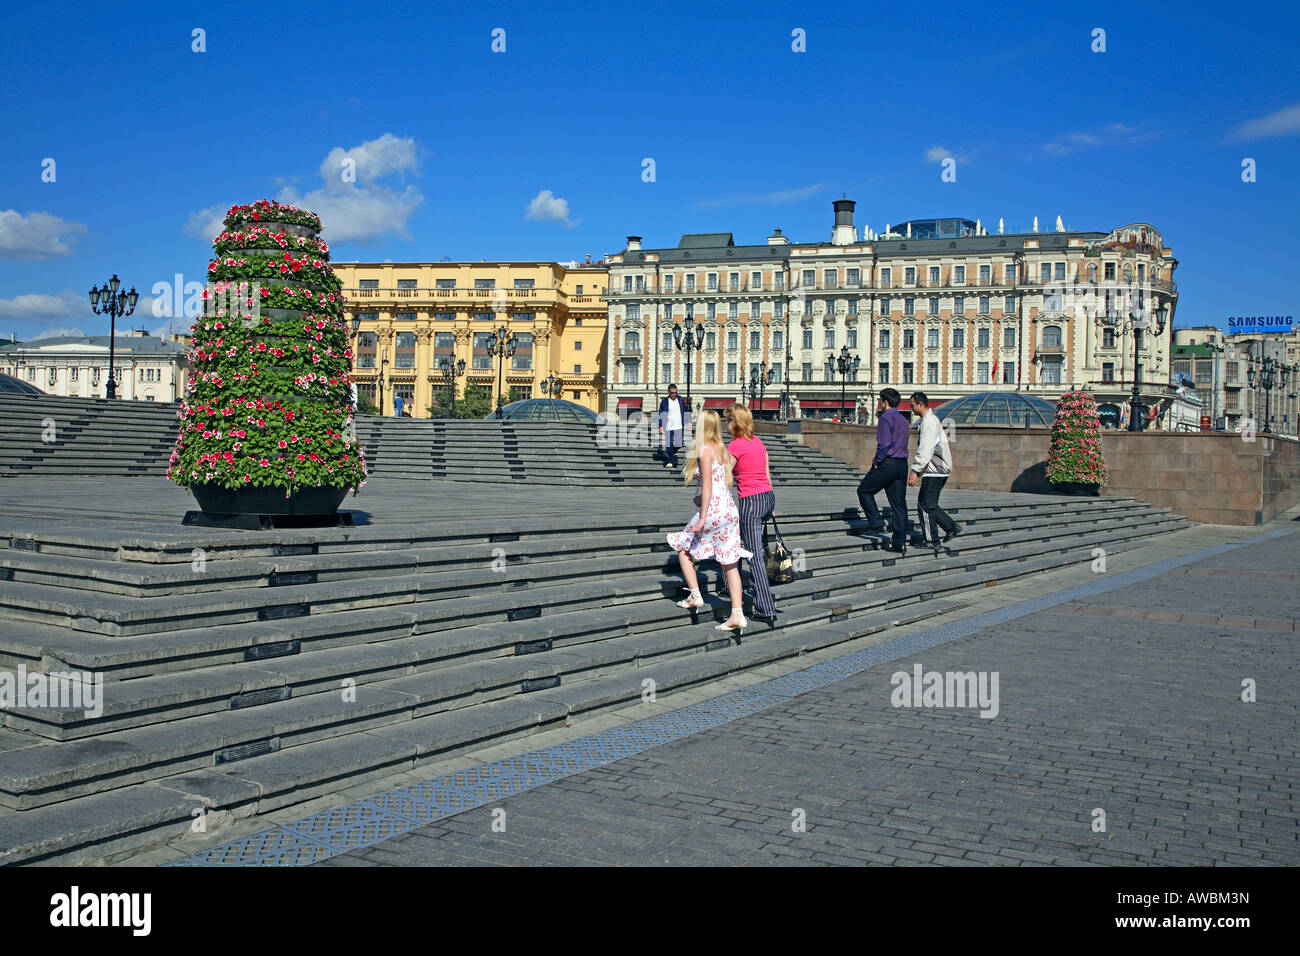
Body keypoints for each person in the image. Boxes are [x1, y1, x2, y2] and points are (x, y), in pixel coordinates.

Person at [667, 409, 751, 635]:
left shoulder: (704, 450)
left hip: (713, 510)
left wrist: (702, 516)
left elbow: (708, 486)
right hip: (729, 510)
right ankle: (737, 613)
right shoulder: (723, 450)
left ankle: (695, 594)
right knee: (729, 563)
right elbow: (719, 482)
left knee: (683, 548)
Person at [725, 404, 776, 622]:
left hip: (751, 501)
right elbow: (766, 471)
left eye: (728, 420)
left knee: (753, 555)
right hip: (766, 497)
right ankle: (728, 583)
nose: (725, 424)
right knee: (734, 539)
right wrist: (771, 505)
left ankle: (765, 607)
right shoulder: (758, 442)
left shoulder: (735, 446)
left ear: (735, 423)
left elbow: (725, 476)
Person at [857, 387, 911, 555]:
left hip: (887, 463)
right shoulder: (903, 419)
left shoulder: (885, 418)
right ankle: (899, 542)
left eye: (880, 401)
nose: (880, 404)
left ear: (884, 402)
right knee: (899, 505)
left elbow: (885, 443)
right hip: (902, 465)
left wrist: (877, 461)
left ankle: (877, 523)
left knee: (864, 490)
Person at [907, 391, 961, 549]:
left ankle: (931, 540)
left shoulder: (929, 422)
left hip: (935, 469)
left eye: (912, 405)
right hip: (938, 469)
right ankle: (951, 527)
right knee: (929, 504)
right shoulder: (930, 420)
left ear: (920, 404)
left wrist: (915, 470)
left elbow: (925, 449)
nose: (911, 408)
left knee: (924, 505)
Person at [657, 384, 690, 469]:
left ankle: (671, 452)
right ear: (669, 392)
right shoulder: (664, 402)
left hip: (679, 425)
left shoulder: (680, 400)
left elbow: (685, 410)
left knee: (679, 444)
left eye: (675, 392)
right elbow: (661, 414)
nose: (674, 394)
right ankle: (669, 461)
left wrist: (688, 421)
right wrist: (660, 426)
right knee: (669, 444)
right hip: (668, 426)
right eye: (672, 393)